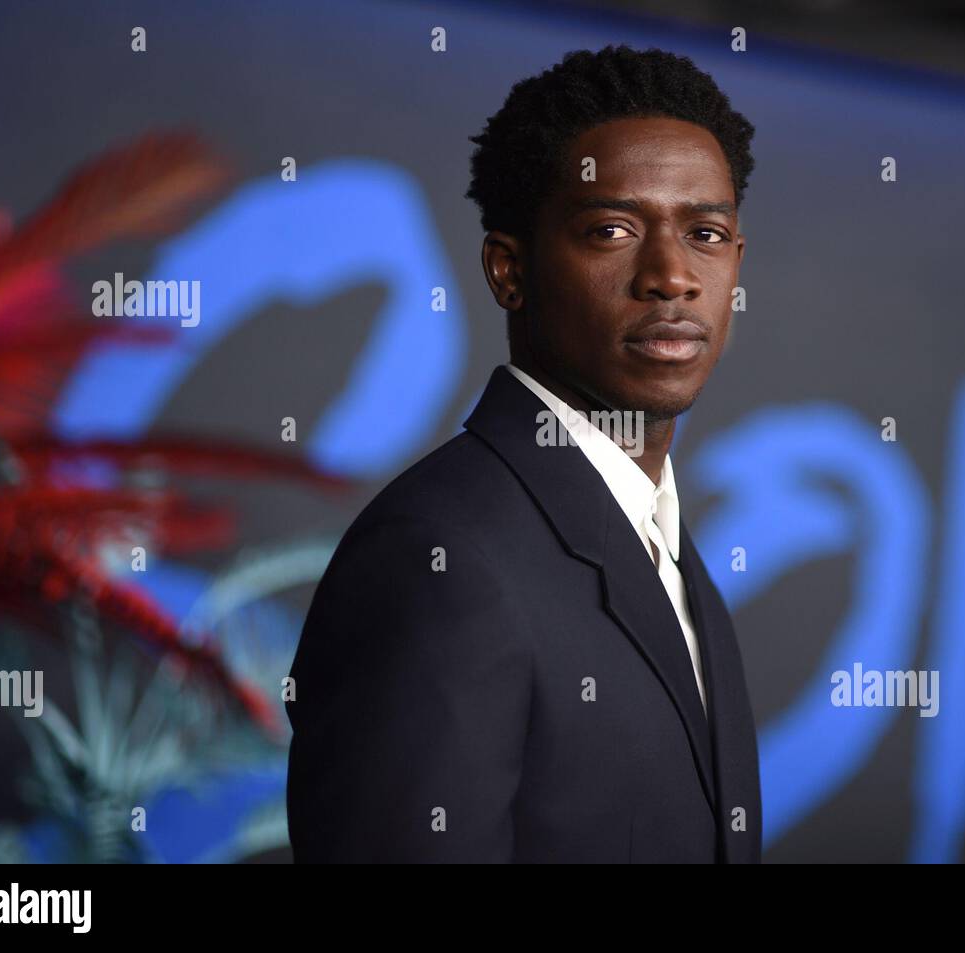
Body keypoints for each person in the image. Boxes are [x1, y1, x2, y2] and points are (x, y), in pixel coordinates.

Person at [286, 44, 760, 863]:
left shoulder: (667, 549)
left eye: (705, 232)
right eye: (612, 228)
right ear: (509, 270)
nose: (672, 275)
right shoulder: (438, 558)